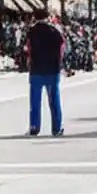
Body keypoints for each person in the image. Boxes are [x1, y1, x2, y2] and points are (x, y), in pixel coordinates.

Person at [25, 7, 66, 136]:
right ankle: (56, 128)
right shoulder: (55, 30)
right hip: (52, 69)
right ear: (47, 17)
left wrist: (29, 62)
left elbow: (28, 48)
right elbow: (62, 48)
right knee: (54, 100)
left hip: (36, 68)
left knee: (35, 101)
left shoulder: (31, 31)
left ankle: (34, 127)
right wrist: (59, 63)